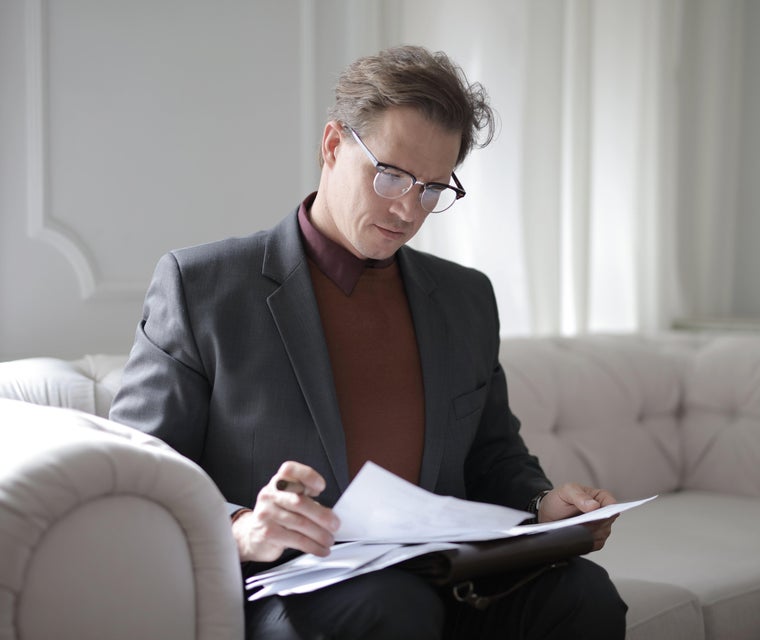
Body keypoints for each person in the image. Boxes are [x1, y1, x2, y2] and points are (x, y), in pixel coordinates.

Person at [110, 45, 627, 639]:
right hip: (293, 586)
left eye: (433, 188)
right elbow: (140, 478)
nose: (408, 209)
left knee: (583, 594)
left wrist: (543, 508)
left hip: (444, 576)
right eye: (391, 175)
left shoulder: (465, 298)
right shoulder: (202, 288)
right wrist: (244, 528)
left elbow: (491, 455)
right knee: (389, 608)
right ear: (333, 146)